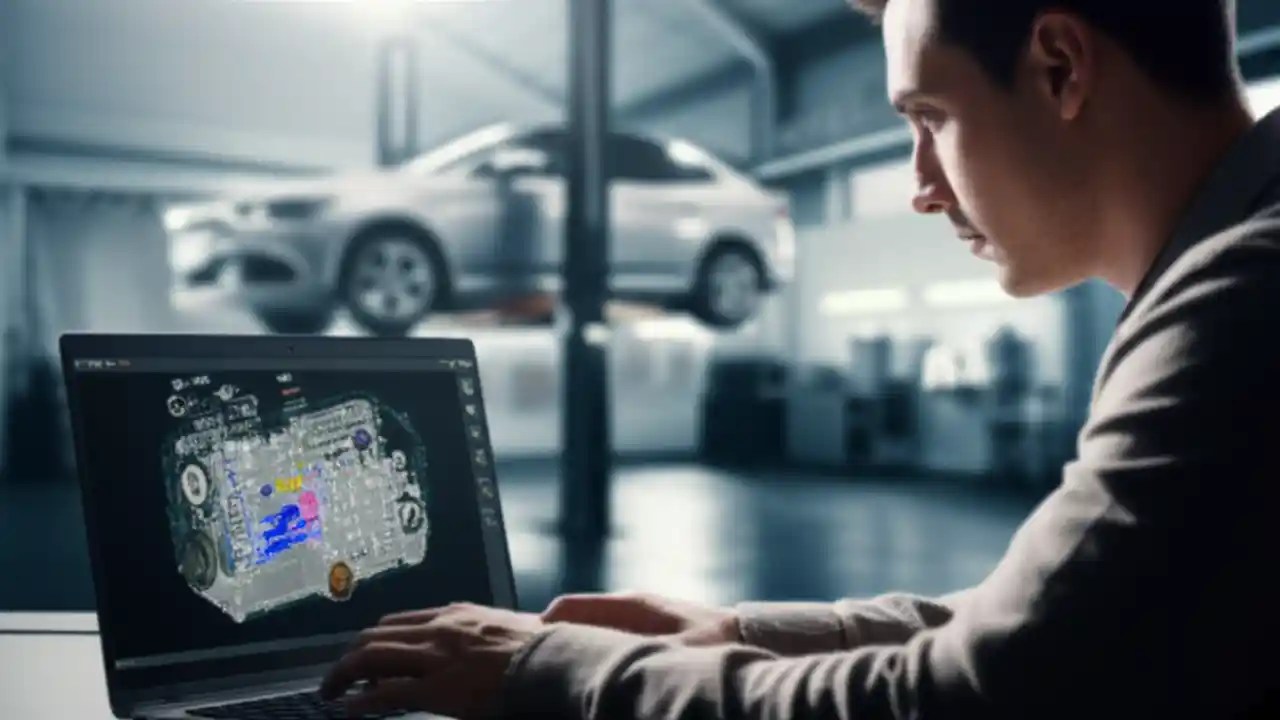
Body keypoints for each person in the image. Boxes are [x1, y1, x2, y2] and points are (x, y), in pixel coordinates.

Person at [320, 0, 1280, 716]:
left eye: (930, 117)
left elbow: (975, 694)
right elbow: (1051, 623)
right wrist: (736, 632)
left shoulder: (1239, 304)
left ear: (1061, 67)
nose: (920, 184)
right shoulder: (1233, 265)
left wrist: (546, 673)